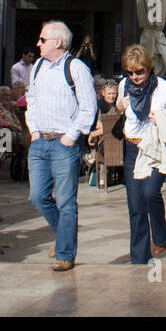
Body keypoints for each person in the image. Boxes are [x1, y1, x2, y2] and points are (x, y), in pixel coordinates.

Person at [27, 20, 97, 271]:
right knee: (37, 196)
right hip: (40, 141)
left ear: (57, 42)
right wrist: (33, 130)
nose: (38, 44)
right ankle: (63, 237)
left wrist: (71, 136)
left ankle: (65, 253)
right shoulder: (37, 67)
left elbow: (88, 106)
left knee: (66, 201)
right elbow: (31, 99)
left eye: (42, 40)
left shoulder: (76, 68)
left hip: (63, 143)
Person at [115, 43, 166, 264]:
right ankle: (139, 258)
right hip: (132, 147)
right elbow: (121, 111)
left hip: (157, 148)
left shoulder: (163, 88)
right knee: (136, 206)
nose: (134, 77)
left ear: (149, 68)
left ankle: (161, 234)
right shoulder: (124, 85)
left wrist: (161, 119)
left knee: (150, 192)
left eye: (139, 71)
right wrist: (119, 105)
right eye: (130, 72)